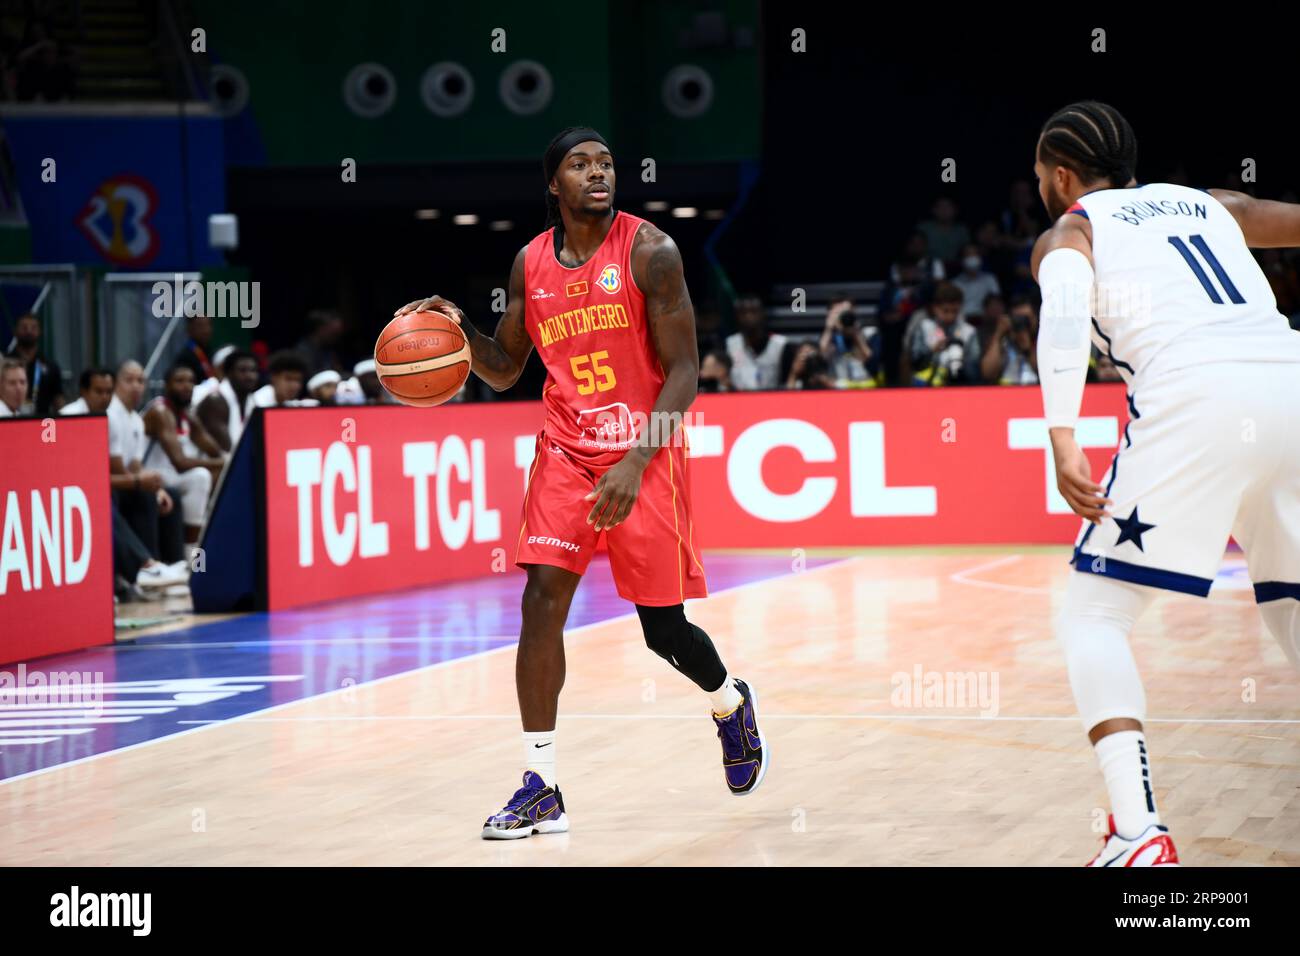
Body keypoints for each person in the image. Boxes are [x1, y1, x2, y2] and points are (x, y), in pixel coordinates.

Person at [393, 125, 767, 840]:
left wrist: (633, 462)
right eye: (579, 164)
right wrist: (456, 326)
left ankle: (729, 703)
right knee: (540, 600)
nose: (597, 172)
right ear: (554, 187)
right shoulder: (528, 264)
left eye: (605, 163)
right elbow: (505, 369)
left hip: (643, 451)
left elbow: (685, 374)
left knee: (664, 632)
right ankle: (542, 783)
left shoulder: (652, 252)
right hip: (565, 451)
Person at [1032, 101, 1300, 866]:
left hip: (1199, 396)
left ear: (1059, 175)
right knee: (1289, 604)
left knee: (1095, 612)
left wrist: (1062, 435)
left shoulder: (1073, 228)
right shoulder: (1214, 206)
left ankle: (1138, 832)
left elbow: (1062, 312)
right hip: (1291, 378)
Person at [142, 365, 225, 544]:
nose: (187, 386)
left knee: (217, 475)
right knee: (201, 477)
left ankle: (205, 538)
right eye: (179, 381)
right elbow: (180, 463)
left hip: (171, 475)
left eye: (190, 382)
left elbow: (214, 450)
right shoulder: (160, 412)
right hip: (151, 474)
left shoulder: (186, 414)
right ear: (167, 385)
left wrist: (224, 463)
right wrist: (223, 463)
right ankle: (192, 551)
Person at [197, 348, 260, 452]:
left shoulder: (252, 401)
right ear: (228, 373)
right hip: (205, 465)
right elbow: (228, 451)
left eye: (253, 370)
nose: (250, 376)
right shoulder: (215, 401)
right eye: (243, 370)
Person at [724, 294, 786, 390]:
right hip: (738, 400)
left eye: (754, 311)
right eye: (744, 312)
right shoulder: (730, 344)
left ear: (763, 313)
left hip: (772, 399)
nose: (749, 316)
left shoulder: (780, 344)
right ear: (737, 316)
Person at [5, 313, 63, 414]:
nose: (28, 331)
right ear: (15, 331)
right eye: (24, 327)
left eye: (33, 327)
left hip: (42, 422)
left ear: (40, 331)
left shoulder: (50, 366)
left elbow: (58, 399)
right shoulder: (4, 363)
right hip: (7, 419)